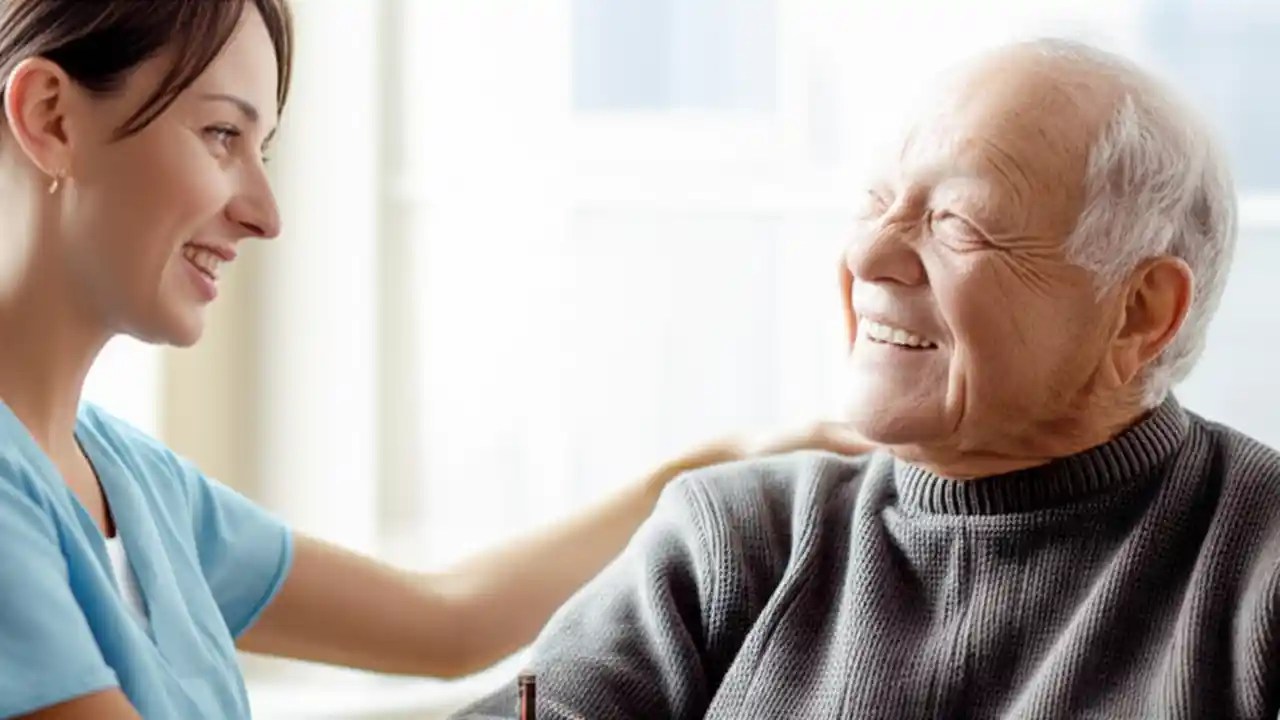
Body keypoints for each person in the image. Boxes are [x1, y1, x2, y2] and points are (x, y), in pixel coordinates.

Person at [0, 1, 872, 718]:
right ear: (50, 117)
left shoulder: (135, 487)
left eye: (260, 152)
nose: (266, 213)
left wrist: (724, 476)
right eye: (223, 135)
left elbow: (446, 619)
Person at [457, 38, 1280, 720]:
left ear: (1139, 312)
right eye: (877, 202)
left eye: (956, 220)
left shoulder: (1257, 567)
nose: (869, 256)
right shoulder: (733, 544)